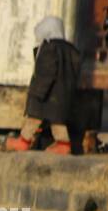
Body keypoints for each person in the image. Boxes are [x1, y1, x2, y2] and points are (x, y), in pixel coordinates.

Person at [6, 16, 80, 154]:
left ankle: (23, 141)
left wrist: (37, 93)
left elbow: (46, 73)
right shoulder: (70, 50)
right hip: (63, 96)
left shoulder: (49, 48)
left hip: (46, 96)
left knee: (33, 119)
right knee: (58, 121)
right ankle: (63, 144)